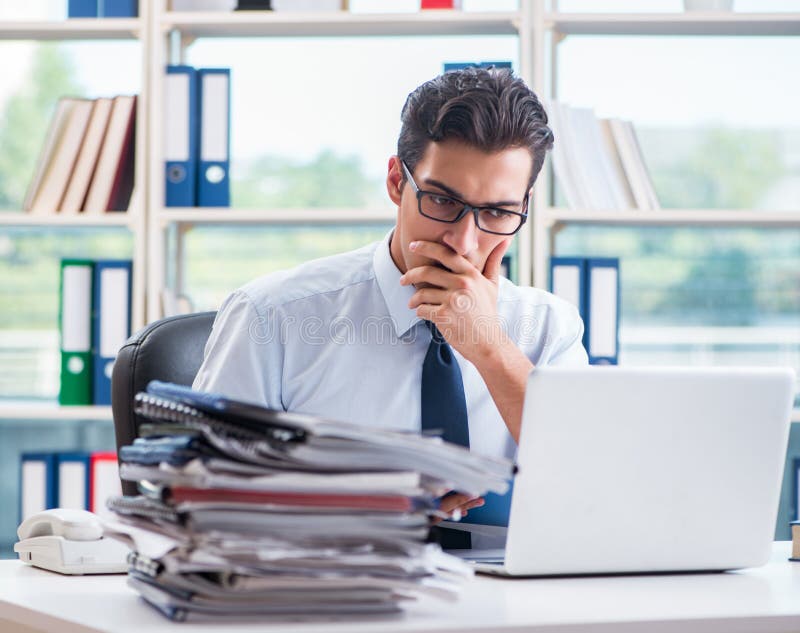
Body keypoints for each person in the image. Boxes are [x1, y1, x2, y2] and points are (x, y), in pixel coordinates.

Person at [193, 67, 588, 522]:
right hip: (330, 581)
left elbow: (592, 484)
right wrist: (365, 512)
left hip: (515, 586)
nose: (463, 241)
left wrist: (491, 350)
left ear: (523, 207)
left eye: (497, 212)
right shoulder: (272, 317)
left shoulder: (550, 328)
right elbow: (203, 496)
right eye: (442, 202)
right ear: (398, 183)